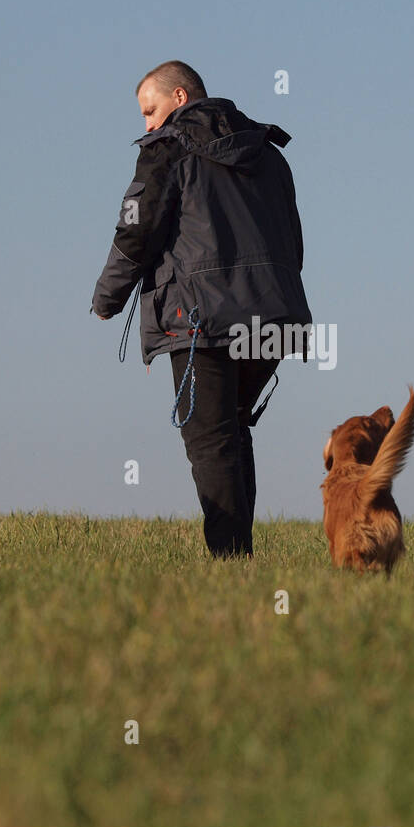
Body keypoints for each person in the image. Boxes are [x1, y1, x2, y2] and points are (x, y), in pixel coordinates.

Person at [92, 61, 312, 558]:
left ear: (179, 97)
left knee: (210, 443)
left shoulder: (167, 149)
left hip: (199, 320)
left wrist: (108, 297)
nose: (147, 124)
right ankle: (239, 558)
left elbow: (135, 229)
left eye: (150, 110)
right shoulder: (270, 154)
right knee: (233, 430)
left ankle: (230, 561)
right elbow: (294, 241)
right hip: (271, 318)